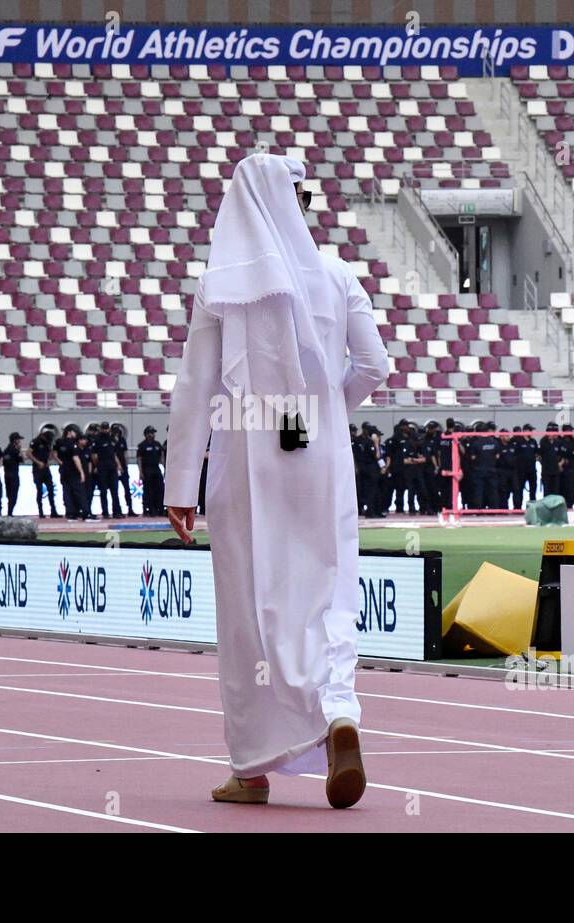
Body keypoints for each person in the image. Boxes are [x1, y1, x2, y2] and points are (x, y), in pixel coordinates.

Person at [164, 153, 388, 808]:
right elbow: (374, 364)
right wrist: (325, 418)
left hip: (246, 458)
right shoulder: (339, 276)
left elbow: (195, 389)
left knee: (250, 612)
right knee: (326, 587)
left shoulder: (221, 287)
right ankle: (339, 709)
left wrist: (182, 482)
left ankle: (252, 768)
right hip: (320, 462)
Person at [29, 428, 60, 518]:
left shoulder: (48, 442)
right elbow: (29, 453)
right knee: (39, 490)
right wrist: (38, 462)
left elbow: (50, 453)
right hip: (37, 469)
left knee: (50, 489)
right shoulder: (35, 441)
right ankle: (41, 512)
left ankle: (53, 510)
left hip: (46, 468)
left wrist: (49, 460)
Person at [135, 425, 165, 516]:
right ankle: (148, 509)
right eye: (151, 433)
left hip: (156, 469)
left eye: (153, 433)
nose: (152, 435)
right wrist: (140, 472)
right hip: (147, 469)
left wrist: (164, 467)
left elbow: (161, 457)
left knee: (160, 489)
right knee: (148, 490)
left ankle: (159, 508)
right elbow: (139, 459)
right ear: (146, 434)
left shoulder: (157, 444)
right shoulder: (142, 445)